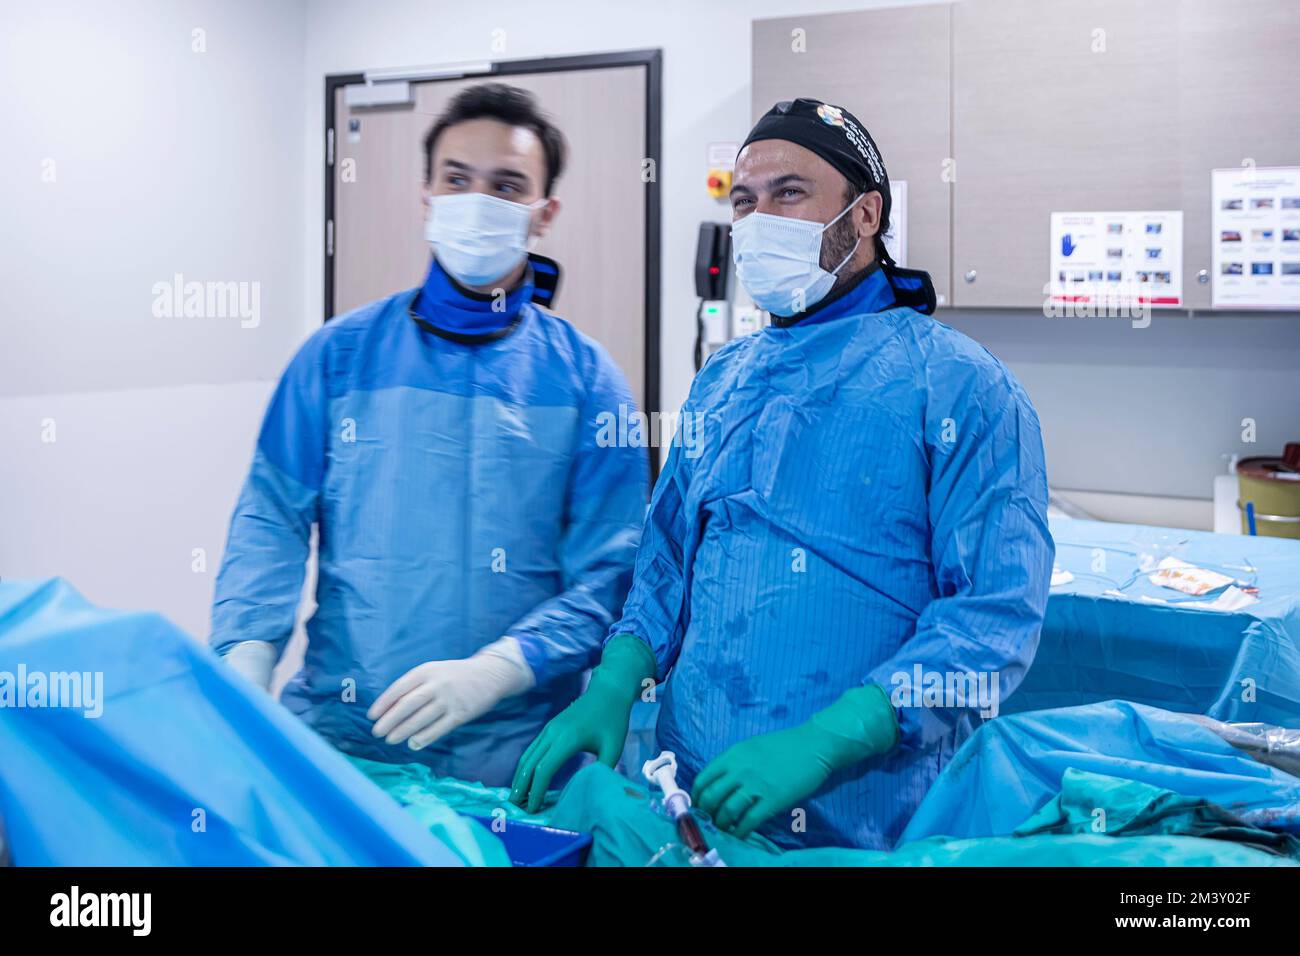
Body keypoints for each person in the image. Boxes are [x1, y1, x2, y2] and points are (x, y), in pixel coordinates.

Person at [512, 98, 1053, 850]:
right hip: (693, 803)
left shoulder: (964, 388)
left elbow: (993, 620)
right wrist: (616, 677)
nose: (759, 218)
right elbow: (667, 557)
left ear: (865, 216)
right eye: (744, 201)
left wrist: (834, 735)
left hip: (867, 819)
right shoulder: (724, 377)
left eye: (789, 193)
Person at [210, 83, 647, 787]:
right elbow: (270, 520)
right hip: (347, 740)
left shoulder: (588, 382)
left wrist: (504, 667)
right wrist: (246, 662)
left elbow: (614, 573)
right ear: (427, 199)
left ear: (545, 213)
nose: (478, 200)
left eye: (507, 186)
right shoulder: (337, 357)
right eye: (456, 179)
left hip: (516, 763)